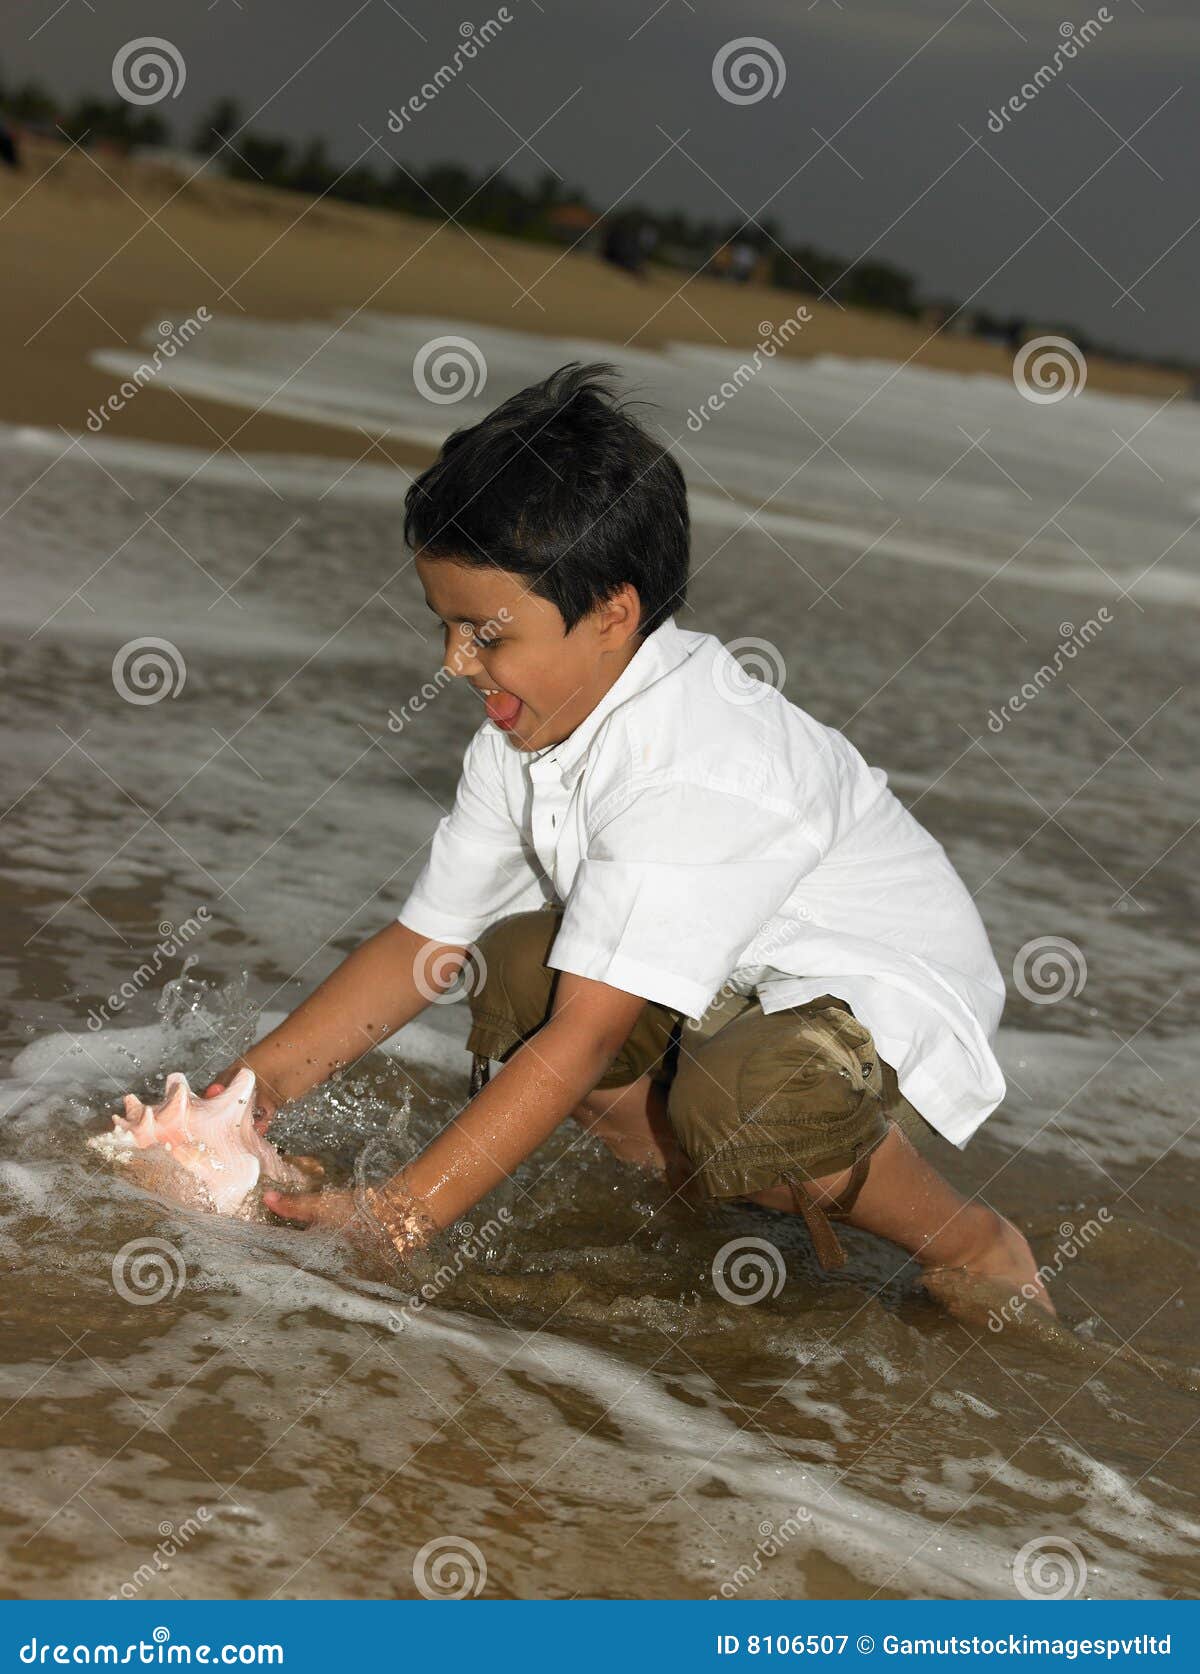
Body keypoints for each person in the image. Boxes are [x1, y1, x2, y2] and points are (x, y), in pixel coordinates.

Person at [207, 363, 1050, 1315]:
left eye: (484, 633)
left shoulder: (687, 763)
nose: (453, 662)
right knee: (516, 967)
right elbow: (422, 947)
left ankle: (974, 1244)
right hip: (731, 978)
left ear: (613, 613)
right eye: (442, 627)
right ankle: (701, 1197)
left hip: (866, 987)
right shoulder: (527, 728)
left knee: (743, 1097)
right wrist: (244, 1095)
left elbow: (584, 1039)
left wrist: (401, 1218)